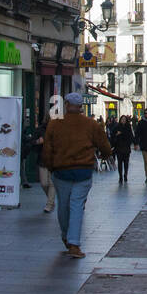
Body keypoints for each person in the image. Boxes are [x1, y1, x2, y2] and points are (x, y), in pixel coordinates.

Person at [42, 93, 113, 258]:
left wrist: (50, 165)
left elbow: (47, 148)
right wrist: (105, 154)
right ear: (81, 106)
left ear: (66, 104)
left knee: (63, 205)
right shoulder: (91, 124)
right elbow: (104, 145)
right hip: (83, 170)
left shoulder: (55, 124)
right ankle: (74, 243)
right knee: (76, 206)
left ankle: (67, 236)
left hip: (61, 170)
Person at [34, 116, 55, 214]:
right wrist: (38, 142)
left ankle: (49, 204)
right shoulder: (40, 130)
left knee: (52, 183)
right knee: (44, 183)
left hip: (54, 159)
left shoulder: (58, 130)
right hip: (43, 158)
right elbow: (33, 143)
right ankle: (51, 201)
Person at [112, 115, 134, 184]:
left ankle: (125, 175)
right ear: (120, 120)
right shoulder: (117, 127)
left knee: (126, 163)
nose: (123, 120)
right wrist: (117, 134)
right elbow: (113, 136)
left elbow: (131, 136)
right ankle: (120, 176)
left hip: (126, 147)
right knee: (120, 163)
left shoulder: (128, 127)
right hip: (119, 147)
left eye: (124, 119)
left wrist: (133, 143)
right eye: (122, 119)